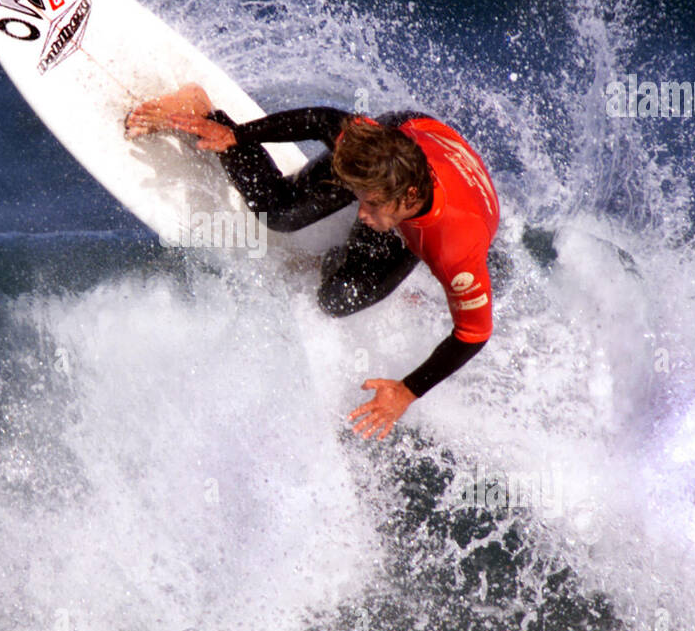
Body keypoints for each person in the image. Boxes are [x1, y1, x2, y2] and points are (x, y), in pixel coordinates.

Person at [125, 83, 499, 440]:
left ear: (410, 197)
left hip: (446, 199)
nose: (362, 212)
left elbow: (473, 334)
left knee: (338, 299)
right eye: (359, 199)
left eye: (370, 204)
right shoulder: (379, 156)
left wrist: (406, 391)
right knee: (280, 213)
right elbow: (322, 120)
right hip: (411, 139)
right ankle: (203, 109)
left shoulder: (454, 251)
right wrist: (238, 136)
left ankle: (322, 260)